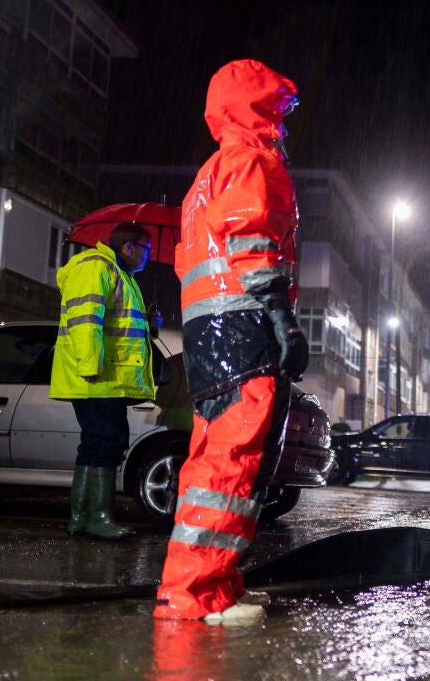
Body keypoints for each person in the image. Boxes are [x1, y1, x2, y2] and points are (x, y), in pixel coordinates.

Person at [154, 59, 307, 625]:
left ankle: (212, 586)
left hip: (209, 332)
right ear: (257, 106)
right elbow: (251, 241)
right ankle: (198, 596)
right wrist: (282, 320)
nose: (284, 122)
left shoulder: (208, 174)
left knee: (214, 463)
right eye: (278, 109)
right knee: (231, 464)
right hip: (240, 329)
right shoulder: (250, 161)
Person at [49, 222, 157, 540]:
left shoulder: (120, 275)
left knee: (99, 442)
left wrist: (151, 326)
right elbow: (85, 320)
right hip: (97, 376)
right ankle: (96, 517)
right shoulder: (97, 267)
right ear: (129, 247)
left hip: (105, 376)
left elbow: (119, 328)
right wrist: (89, 367)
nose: (148, 257)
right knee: (104, 441)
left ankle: (84, 518)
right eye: (147, 250)